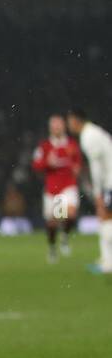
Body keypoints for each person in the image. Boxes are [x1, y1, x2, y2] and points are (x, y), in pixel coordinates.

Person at [30, 114, 82, 263]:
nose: (57, 128)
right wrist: (47, 162)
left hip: (68, 185)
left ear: (63, 127)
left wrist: (77, 168)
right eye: (54, 126)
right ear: (51, 128)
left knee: (70, 214)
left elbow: (78, 163)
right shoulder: (45, 146)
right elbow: (36, 165)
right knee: (53, 222)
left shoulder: (71, 144)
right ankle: (52, 247)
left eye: (59, 125)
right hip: (53, 189)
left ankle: (65, 236)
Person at [67, 109, 112, 274]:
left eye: (70, 120)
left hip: (109, 182)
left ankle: (108, 263)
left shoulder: (88, 136)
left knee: (105, 217)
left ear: (76, 121)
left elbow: (96, 166)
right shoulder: (94, 132)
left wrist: (98, 192)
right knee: (105, 218)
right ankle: (106, 259)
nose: (68, 124)